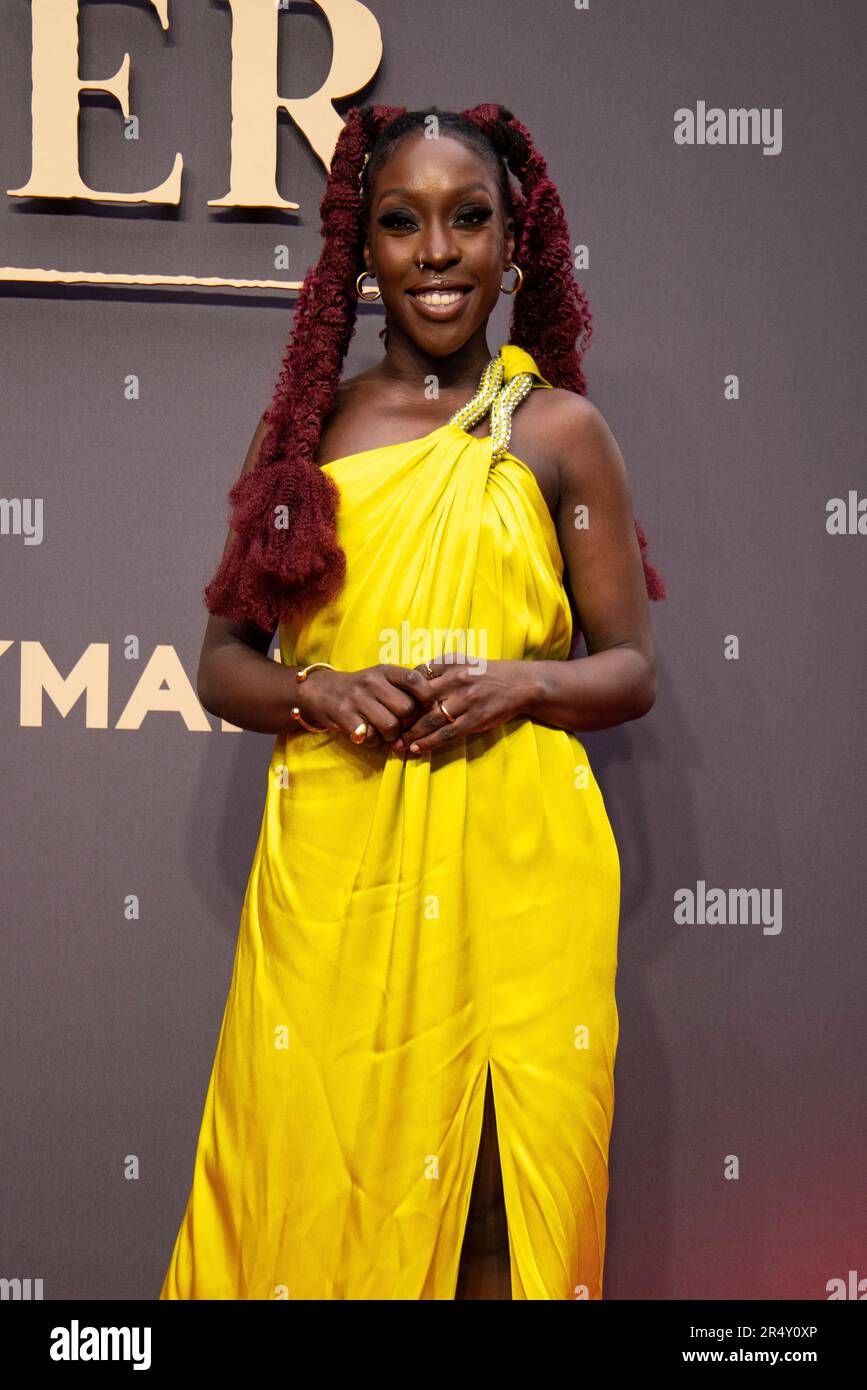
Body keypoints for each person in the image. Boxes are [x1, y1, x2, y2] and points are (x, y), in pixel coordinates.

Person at [159, 102, 666, 1302]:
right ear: (362, 253)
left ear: (515, 245)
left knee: (497, 1194)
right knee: (319, 1173)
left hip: (518, 865)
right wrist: (317, 691)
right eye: (402, 223)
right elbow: (223, 659)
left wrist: (524, 679)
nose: (436, 250)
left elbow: (631, 669)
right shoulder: (309, 433)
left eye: (468, 219)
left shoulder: (561, 433)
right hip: (342, 869)